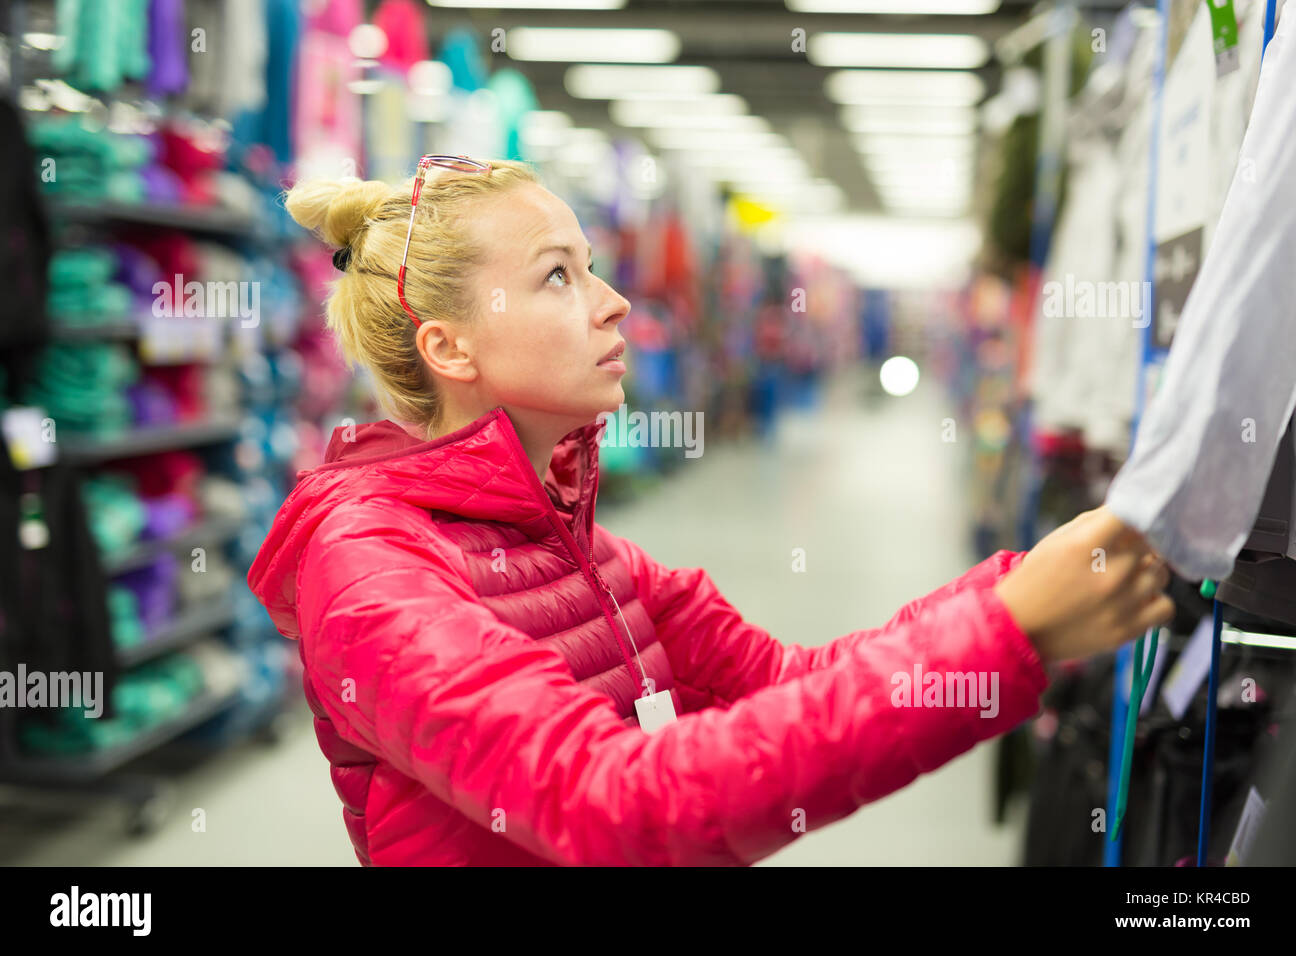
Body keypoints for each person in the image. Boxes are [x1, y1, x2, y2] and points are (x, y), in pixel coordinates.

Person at [246, 156, 1174, 866]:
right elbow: (613, 803)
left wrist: (1019, 596)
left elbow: (788, 680)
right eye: (558, 277)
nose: (614, 305)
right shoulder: (368, 570)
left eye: (592, 268)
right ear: (450, 346)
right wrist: (1008, 632)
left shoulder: (585, 553)